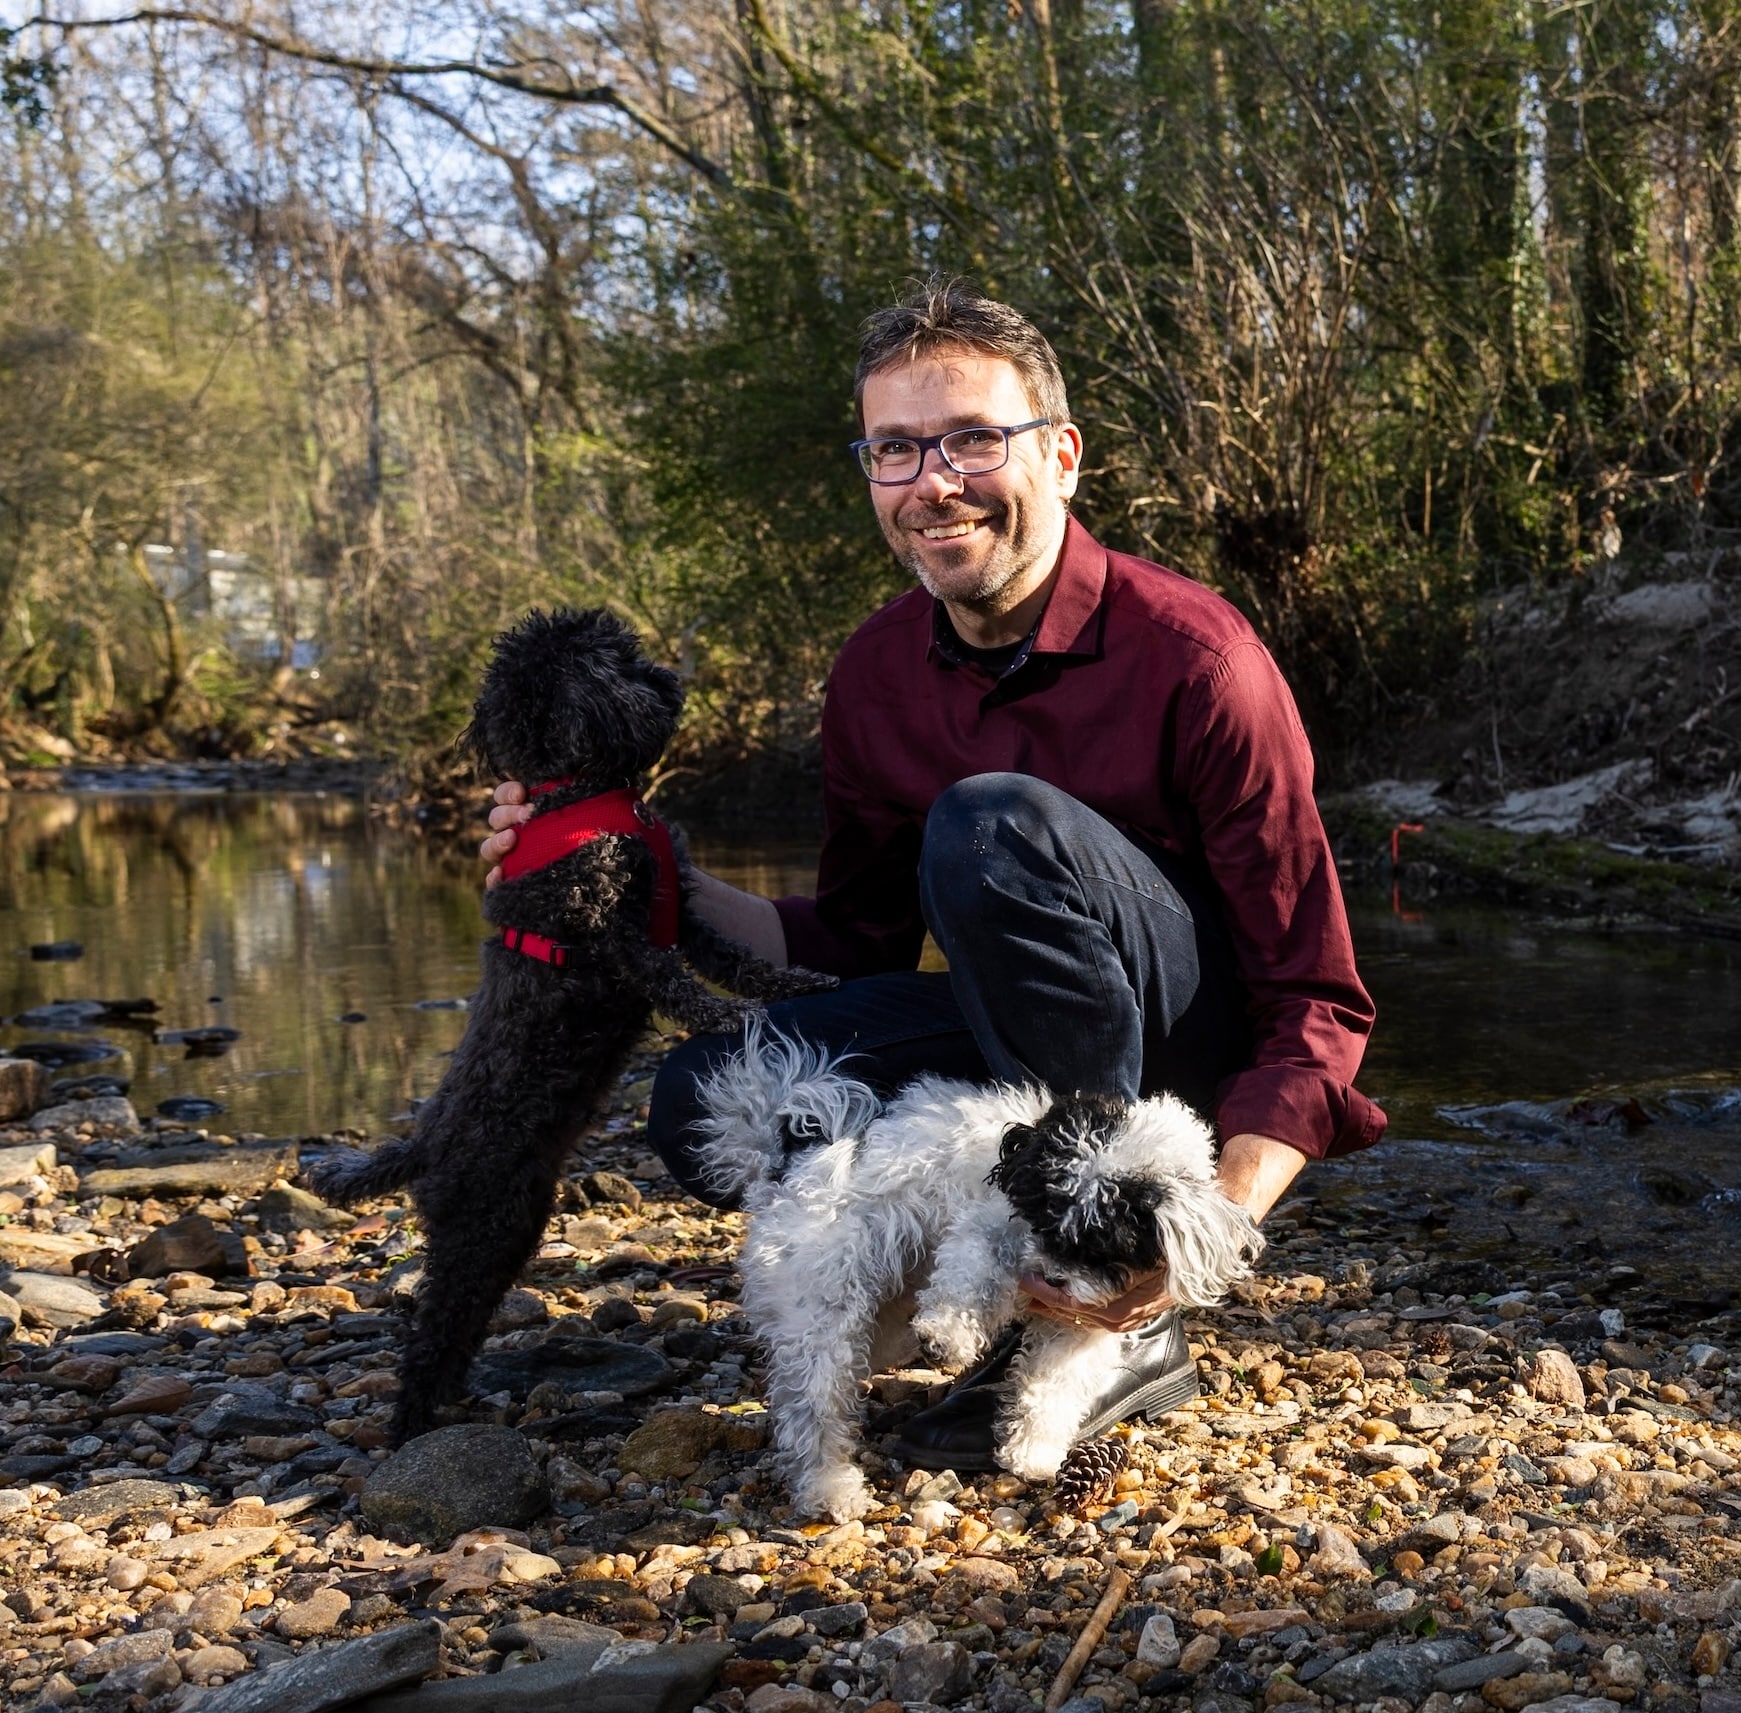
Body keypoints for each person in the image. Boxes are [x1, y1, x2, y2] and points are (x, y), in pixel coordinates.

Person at [481, 278, 1384, 1471]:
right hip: (1012, 1056)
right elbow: (850, 939)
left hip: (1174, 1082)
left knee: (987, 825)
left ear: (1058, 456)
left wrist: (1203, 1230)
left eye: (971, 439)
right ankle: (957, 1292)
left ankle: (1112, 1308)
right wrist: (635, 870)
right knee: (708, 1093)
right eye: (896, 450)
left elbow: (1316, 1002)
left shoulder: (1201, 662)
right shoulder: (873, 673)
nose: (932, 482)